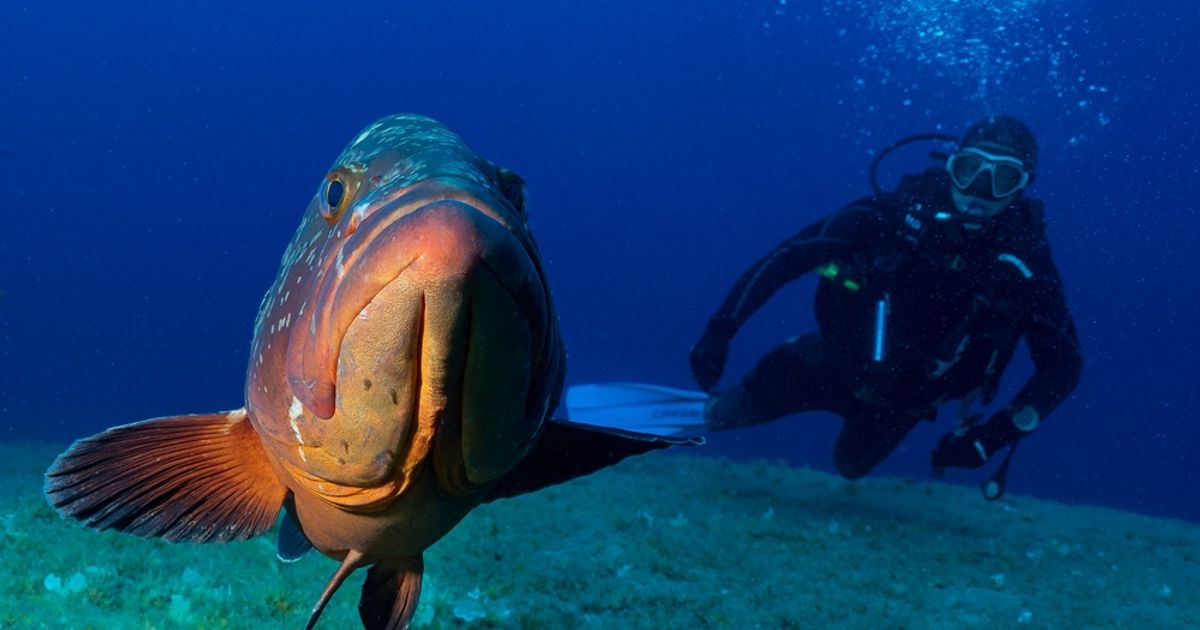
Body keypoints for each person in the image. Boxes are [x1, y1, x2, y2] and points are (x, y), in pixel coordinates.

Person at [688, 115, 1082, 482]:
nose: (979, 190)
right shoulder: (890, 216)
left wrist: (993, 436)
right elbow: (788, 258)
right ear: (951, 167)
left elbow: (1063, 365)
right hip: (833, 361)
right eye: (969, 170)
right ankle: (781, 367)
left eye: (1003, 178)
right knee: (727, 414)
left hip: (906, 401)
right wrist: (720, 330)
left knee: (852, 465)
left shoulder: (1027, 267)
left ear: (1022, 187)